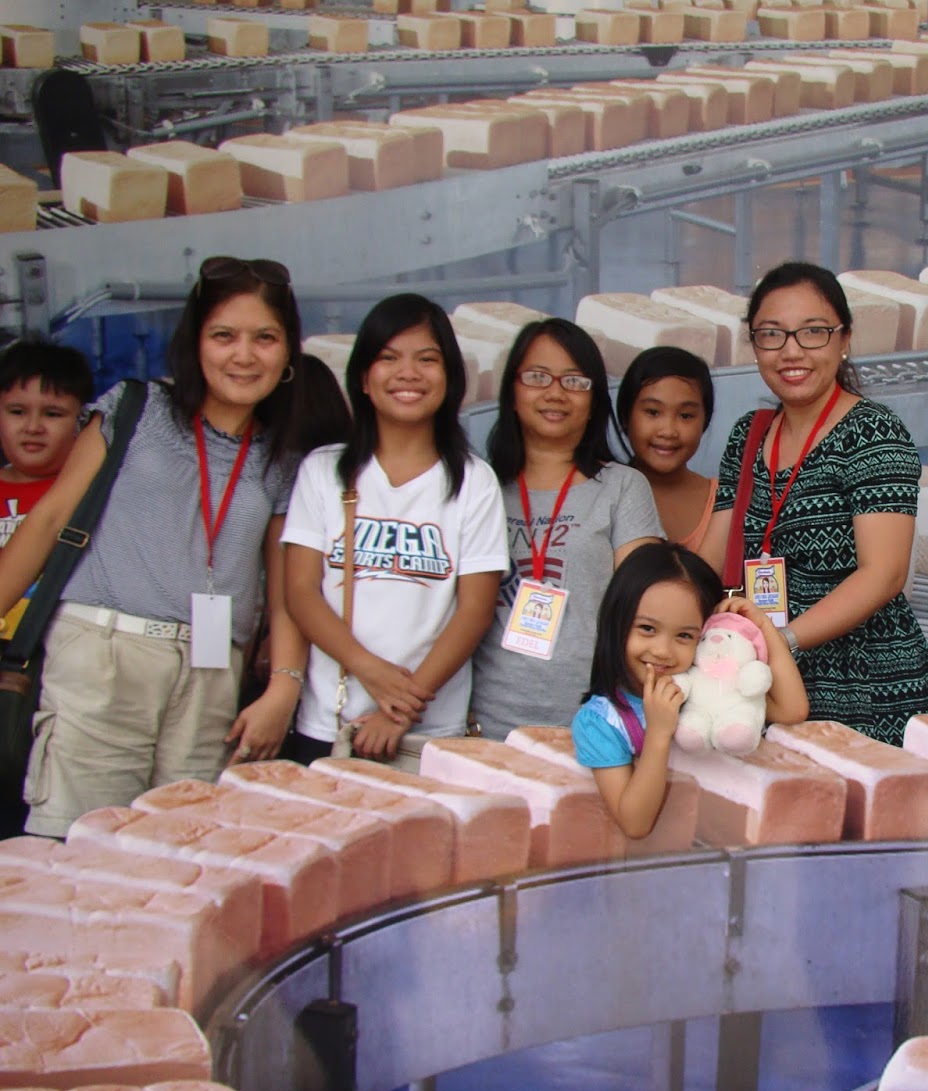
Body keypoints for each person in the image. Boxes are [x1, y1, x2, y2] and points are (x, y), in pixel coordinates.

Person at [0, 256, 348, 836]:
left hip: (211, 674)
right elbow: (49, 519)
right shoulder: (135, 409)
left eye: (265, 338)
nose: (244, 355)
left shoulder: (282, 453)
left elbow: (287, 584)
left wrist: (284, 687)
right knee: (78, 848)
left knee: (178, 857)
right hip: (106, 654)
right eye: (224, 336)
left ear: (289, 351)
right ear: (196, 343)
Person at [702, 261, 928, 746]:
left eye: (812, 332)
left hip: (868, 688)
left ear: (844, 339)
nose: (791, 351)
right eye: (771, 334)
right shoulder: (748, 436)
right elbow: (712, 556)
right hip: (761, 684)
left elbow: (884, 574)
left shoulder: (873, 432)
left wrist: (782, 642)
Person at [281, 294, 507, 763]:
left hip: (428, 731)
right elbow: (301, 591)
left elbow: (474, 611)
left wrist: (404, 707)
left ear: (450, 378)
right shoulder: (324, 471)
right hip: (329, 721)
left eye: (427, 359)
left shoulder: (473, 481)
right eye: (389, 358)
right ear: (363, 377)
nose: (408, 373)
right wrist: (370, 670)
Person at [470, 319, 662, 740]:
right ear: (513, 391)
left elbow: (645, 608)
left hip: (591, 722)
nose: (555, 393)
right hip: (484, 721)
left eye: (575, 381)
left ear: (594, 399)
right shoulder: (478, 487)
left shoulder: (621, 487)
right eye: (538, 377)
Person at [572, 541, 808, 838]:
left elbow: (792, 709)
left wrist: (761, 627)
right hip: (659, 870)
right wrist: (658, 733)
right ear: (615, 622)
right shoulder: (601, 721)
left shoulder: (710, 689)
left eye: (684, 635)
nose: (662, 650)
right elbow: (635, 823)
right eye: (647, 628)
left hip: (729, 848)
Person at [0, 339, 93, 640]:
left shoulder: (95, 495)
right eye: (17, 411)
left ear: (85, 421)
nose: (33, 426)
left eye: (52, 414)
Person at [617, 347, 718, 552]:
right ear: (626, 415)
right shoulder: (603, 494)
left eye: (686, 416)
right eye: (653, 412)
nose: (668, 431)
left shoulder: (723, 501)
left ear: (704, 421)